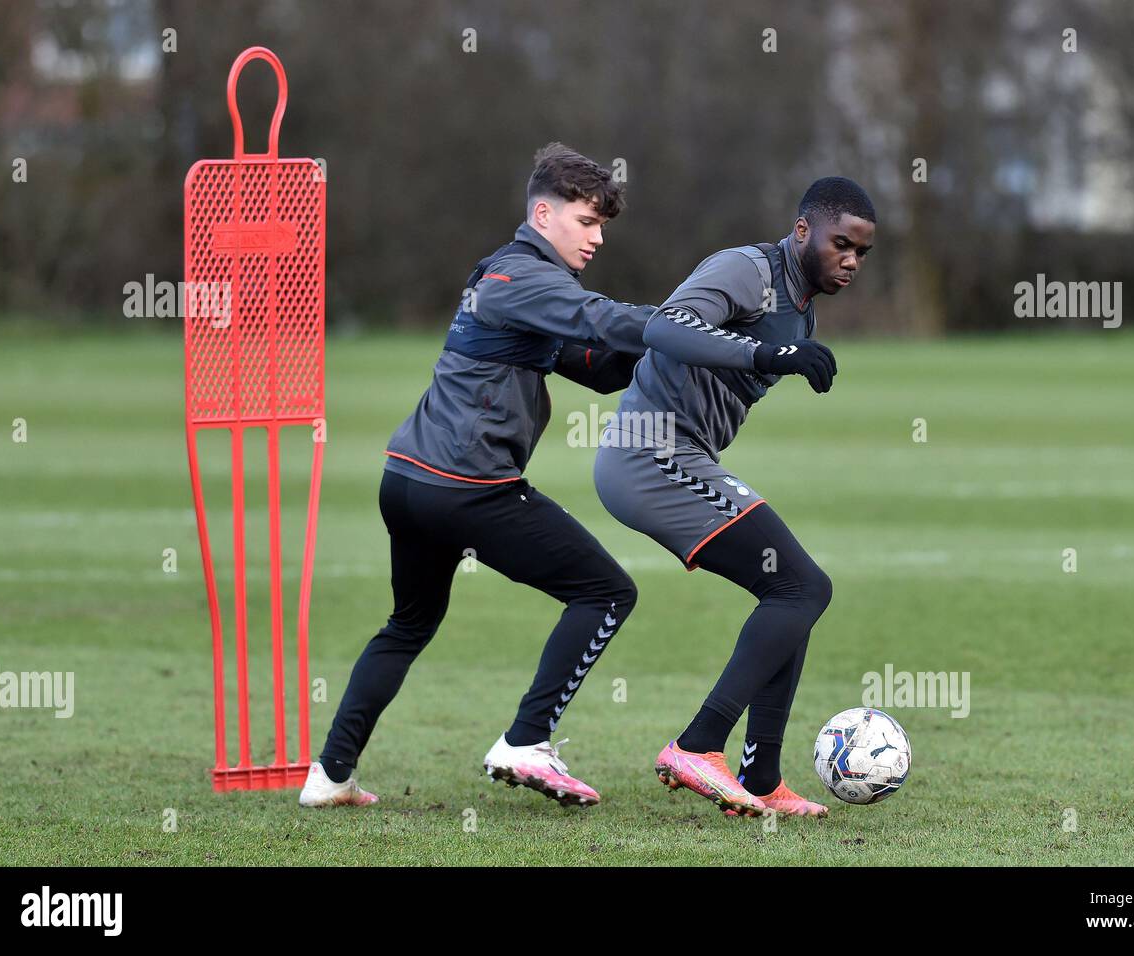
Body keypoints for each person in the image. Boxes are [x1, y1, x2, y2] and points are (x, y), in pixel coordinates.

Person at [300, 143, 654, 809]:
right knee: (606, 592)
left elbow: (602, 365)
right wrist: (694, 323)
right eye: (588, 221)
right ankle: (526, 740)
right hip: (464, 487)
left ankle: (330, 775)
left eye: (604, 224)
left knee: (407, 625)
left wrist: (684, 358)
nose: (599, 237)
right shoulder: (524, 278)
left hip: (408, 480)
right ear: (544, 215)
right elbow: (609, 321)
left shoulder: (511, 277)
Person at [593, 176, 876, 817]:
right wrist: (769, 355)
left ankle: (760, 778)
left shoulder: (803, 304)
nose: (851, 260)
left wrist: (778, 350)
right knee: (804, 588)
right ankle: (697, 744)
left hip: (681, 457)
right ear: (803, 230)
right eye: (841, 244)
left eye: (861, 251)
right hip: (650, 453)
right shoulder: (748, 270)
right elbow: (666, 327)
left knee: (794, 593)